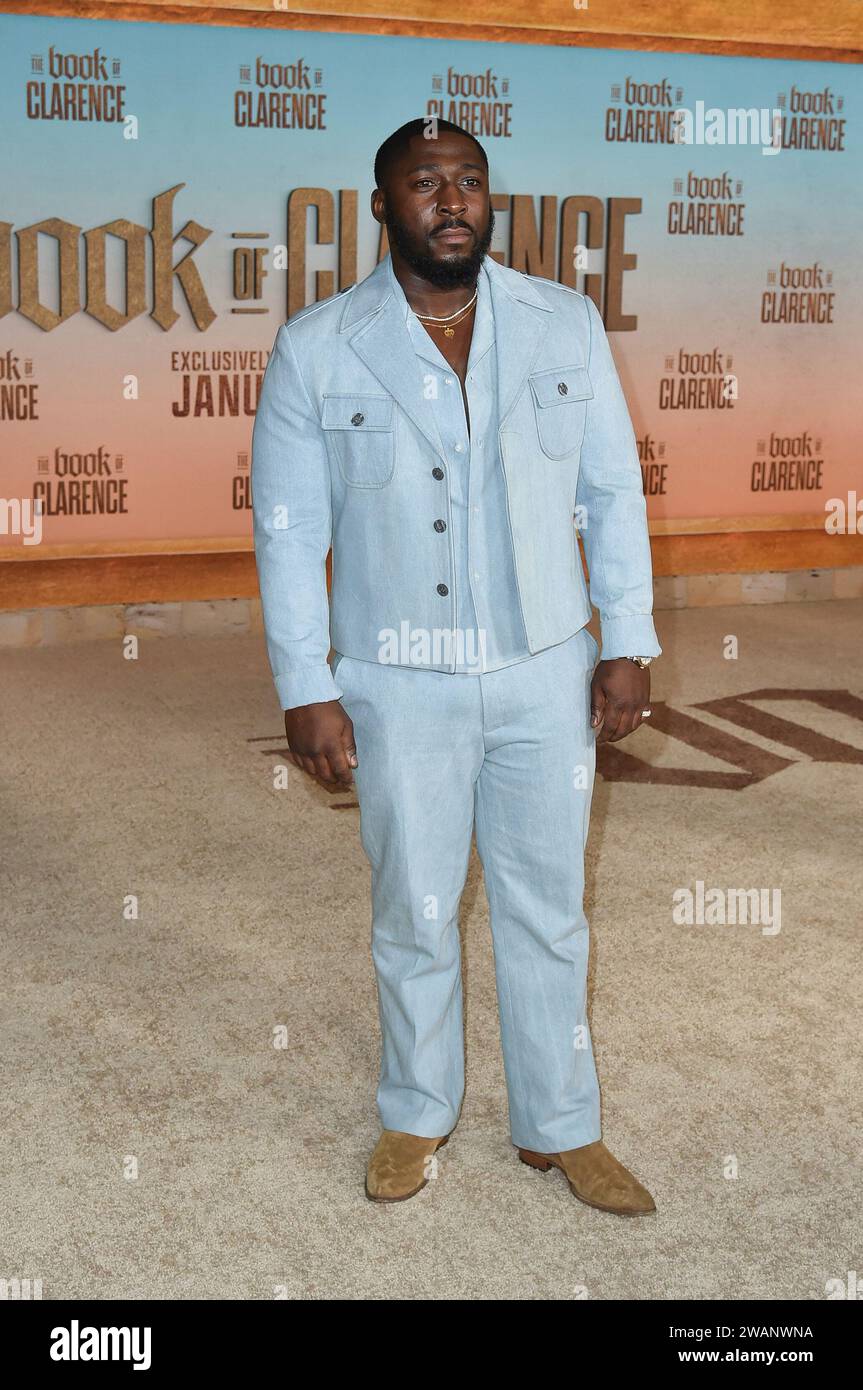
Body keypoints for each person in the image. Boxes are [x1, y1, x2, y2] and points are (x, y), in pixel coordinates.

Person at [252, 117, 661, 1214]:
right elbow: (288, 533)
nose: (451, 200)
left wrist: (625, 638)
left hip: (543, 665)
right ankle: (415, 1108)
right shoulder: (317, 346)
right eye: (424, 184)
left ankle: (560, 1125)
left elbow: (611, 492)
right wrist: (307, 685)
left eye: (468, 182)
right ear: (380, 205)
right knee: (414, 908)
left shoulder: (562, 324)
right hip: (395, 679)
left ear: (489, 201)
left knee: (548, 906)